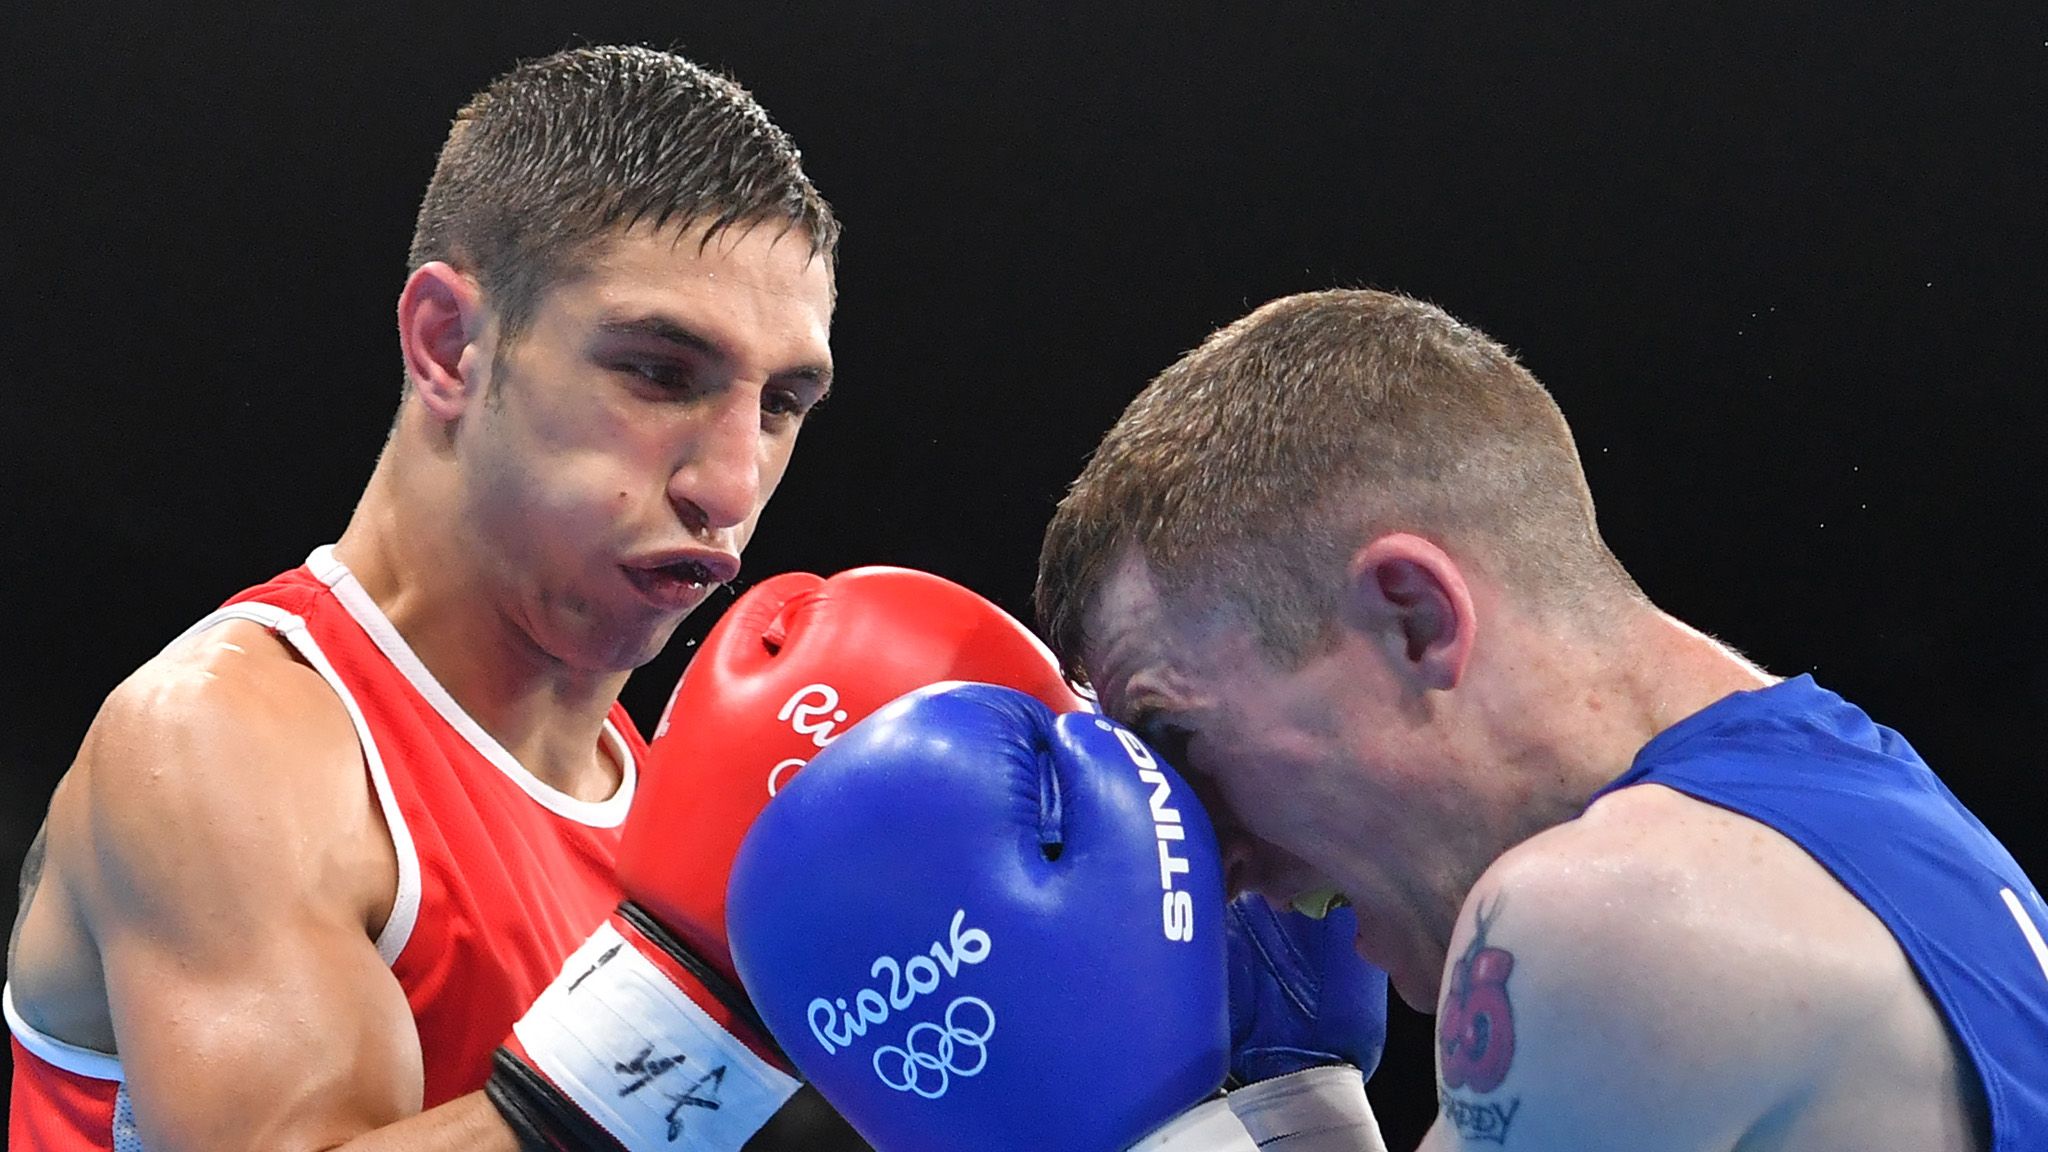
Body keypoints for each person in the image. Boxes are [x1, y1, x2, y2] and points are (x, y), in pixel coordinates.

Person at [5, 44, 873, 1151]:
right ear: (448, 344)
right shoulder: (228, 744)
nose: (730, 483)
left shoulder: (667, 823)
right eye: (660, 372)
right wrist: (705, 1005)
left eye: (783, 402)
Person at [1033, 288, 2048, 1150]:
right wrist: (1293, 1102)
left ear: (1413, 619)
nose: (1212, 865)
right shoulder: (1838, 798)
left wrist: (1118, 1120)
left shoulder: (1624, 915)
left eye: (1177, 744)